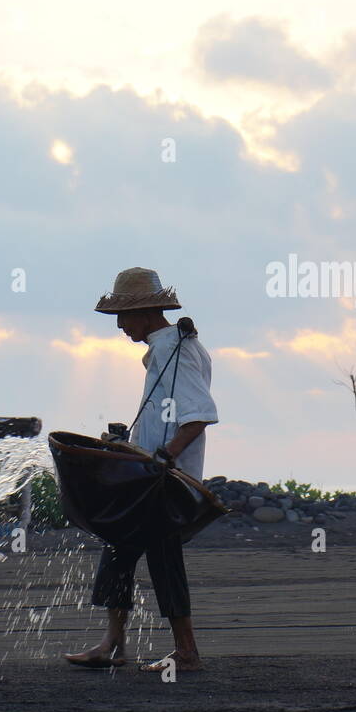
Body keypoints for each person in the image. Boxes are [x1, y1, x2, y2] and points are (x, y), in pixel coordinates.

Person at [65, 267, 218, 672]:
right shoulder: (171, 348)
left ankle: (186, 653)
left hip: (165, 483)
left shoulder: (175, 351)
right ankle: (113, 645)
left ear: (148, 313)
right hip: (151, 479)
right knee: (119, 549)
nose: (119, 325)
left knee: (163, 558)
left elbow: (198, 415)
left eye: (124, 316)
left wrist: (165, 455)